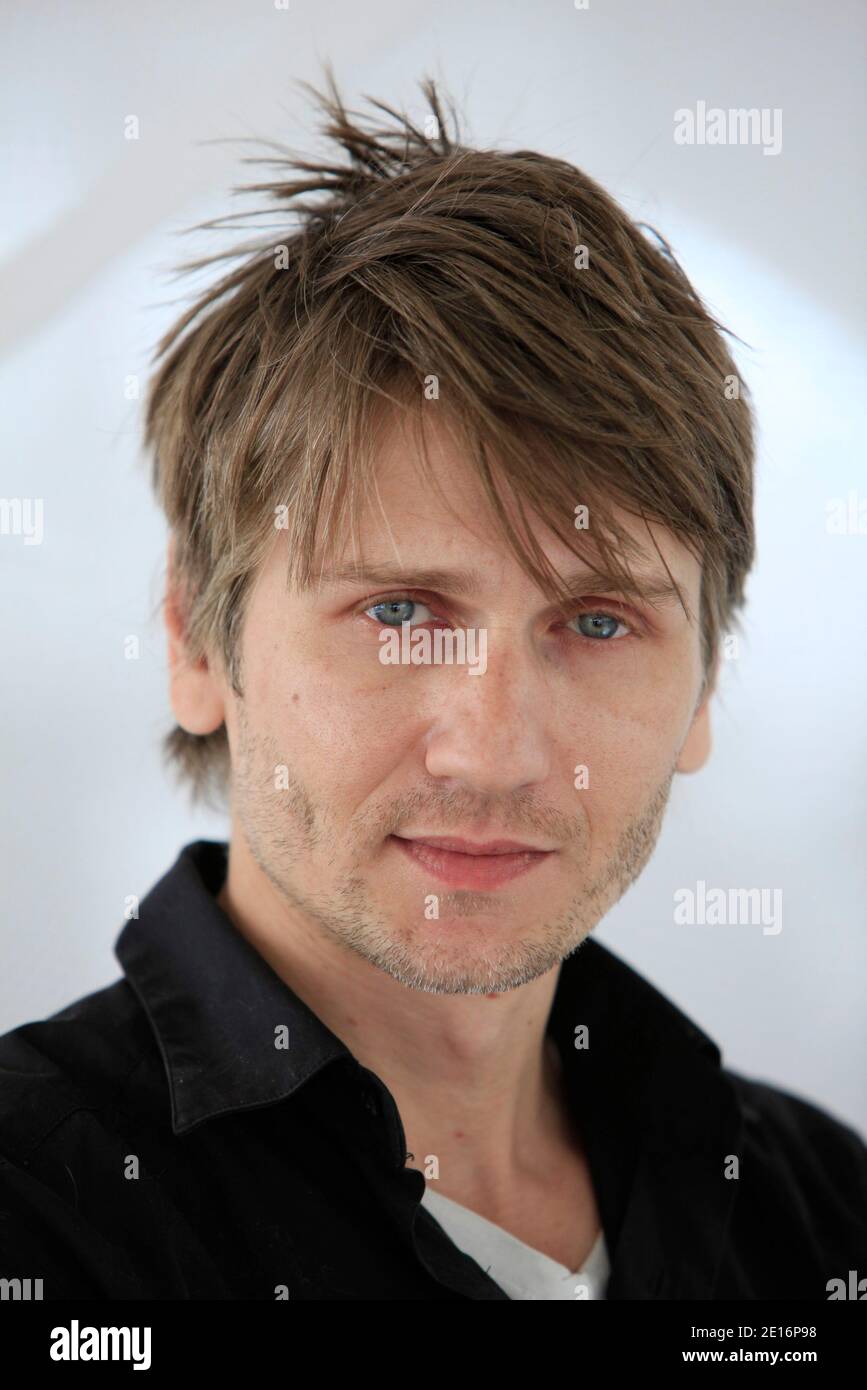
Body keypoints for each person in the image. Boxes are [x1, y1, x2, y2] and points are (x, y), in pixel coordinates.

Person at [1, 67, 864, 1302]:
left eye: (601, 620)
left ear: (706, 681)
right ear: (198, 643)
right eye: (398, 611)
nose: (496, 749)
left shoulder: (821, 1214)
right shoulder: (39, 1222)